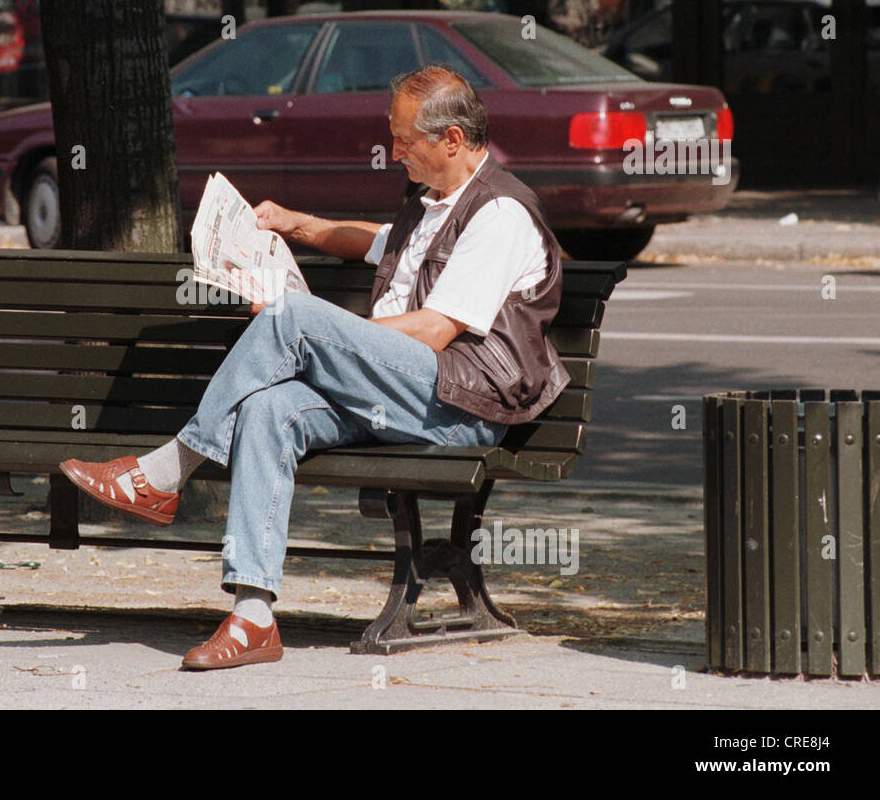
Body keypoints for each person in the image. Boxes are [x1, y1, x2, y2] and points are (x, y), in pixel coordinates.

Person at [58, 63, 569, 670]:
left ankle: (167, 471)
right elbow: (367, 238)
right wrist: (288, 222)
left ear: (452, 140)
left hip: (461, 406)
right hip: (401, 394)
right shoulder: (433, 201)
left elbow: (436, 330)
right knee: (270, 406)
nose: (393, 150)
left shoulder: (500, 213)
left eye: (404, 139)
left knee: (293, 317)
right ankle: (253, 617)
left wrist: (326, 332)